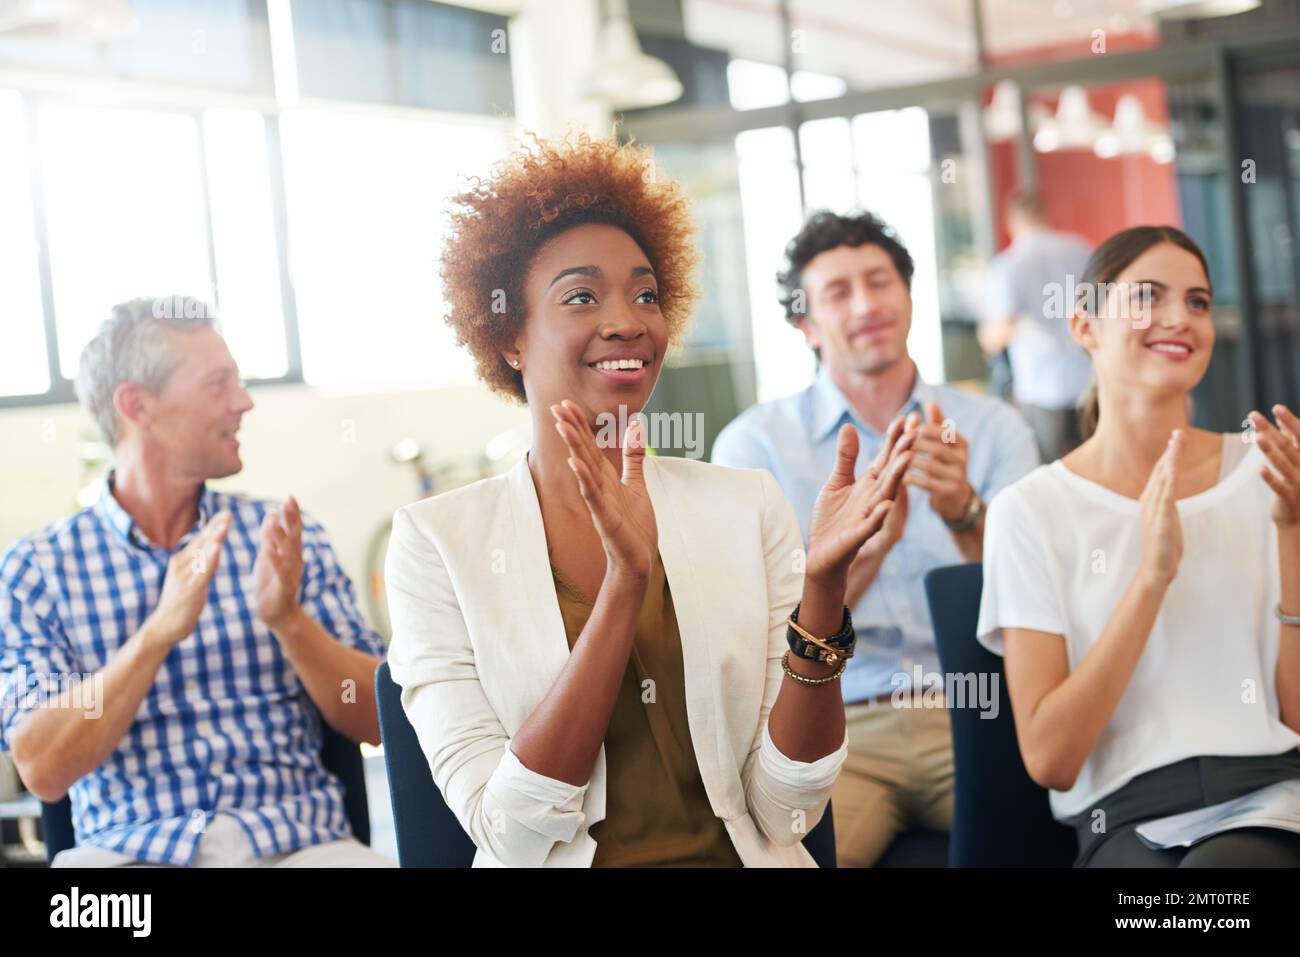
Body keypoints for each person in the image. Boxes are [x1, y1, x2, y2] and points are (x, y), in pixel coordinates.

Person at [383, 133, 915, 867]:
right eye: (581, 296)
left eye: (646, 294)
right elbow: (510, 829)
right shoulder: (436, 540)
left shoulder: (744, 503)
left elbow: (787, 807)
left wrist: (821, 599)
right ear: (508, 334)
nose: (628, 321)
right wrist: (624, 585)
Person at [0, 298, 391, 867]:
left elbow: (378, 719)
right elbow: (41, 768)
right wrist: (156, 635)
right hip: (128, 854)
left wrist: (289, 621)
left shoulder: (282, 536)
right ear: (138, 404)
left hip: (299, 844)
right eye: (218, 383)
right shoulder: (38, 569)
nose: (244, 401)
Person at [711, 210, 1039, 867]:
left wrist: (966, 515)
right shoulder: (753, 445)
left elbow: (1037, 606)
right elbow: (756, 638)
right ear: (805, 324)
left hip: (969, 709)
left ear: (909, 294)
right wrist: (867, 549)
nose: (866, 305)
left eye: (880, 281)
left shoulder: (993, 427)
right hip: (837, 728)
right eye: (837, 292)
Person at [978, 225, 1300, 867]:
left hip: (1270, 797)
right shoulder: (1030, 511)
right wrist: (1150, 581)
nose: (1178, 318)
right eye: (1147, 296)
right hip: (1123, 821)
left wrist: (1293, 533)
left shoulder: (1271, 472)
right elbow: (1051, 757)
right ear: (1084, 326)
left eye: (1199, 301)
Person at [979, 192, 1094, 462]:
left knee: (1049, 474)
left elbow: (1000, 332)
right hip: (1087, 380)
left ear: (1012, 222)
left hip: (1041, 385)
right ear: (1045, 215)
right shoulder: (1080, 248)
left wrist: (985, 336)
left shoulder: (1010, 264)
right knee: (1094, 466)